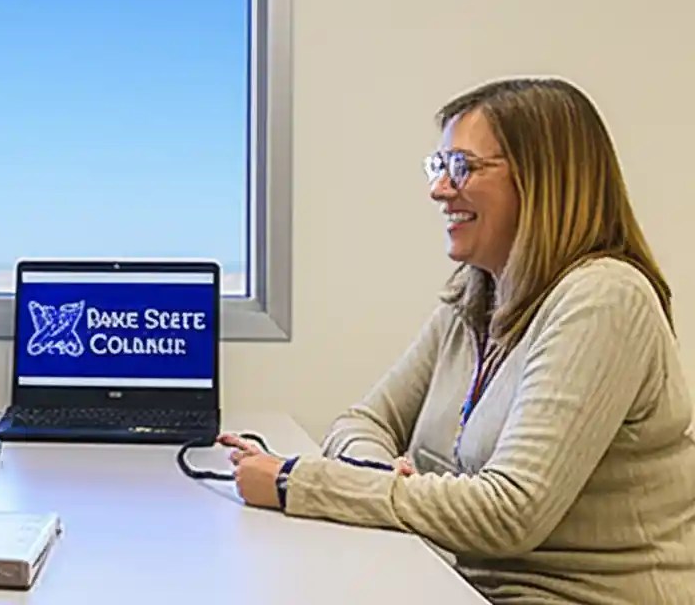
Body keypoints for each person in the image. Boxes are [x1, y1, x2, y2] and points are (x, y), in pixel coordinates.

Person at [220, 77, 695, 604]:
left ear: (542, 180)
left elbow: (510, 514)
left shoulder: (604, 298)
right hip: (468, 588)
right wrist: (377, 472)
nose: (439, 189)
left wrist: (297, 483)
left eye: (463, 167)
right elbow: (364, 422)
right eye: (439, 166)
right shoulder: (476, 297)